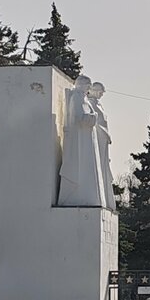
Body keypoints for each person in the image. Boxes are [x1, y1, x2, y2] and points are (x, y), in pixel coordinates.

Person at [58, 75, 105, 206]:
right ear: (82, 85)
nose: (89, 88)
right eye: (87, 85)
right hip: (80, 139)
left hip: (86, 138)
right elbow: (78, 117)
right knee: (81, 165)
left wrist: (92, 117)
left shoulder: (84, 99)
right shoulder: (77, 97)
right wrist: (93, 117)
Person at [89, 82, 117, 212]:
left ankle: (106, 198)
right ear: (93, 90)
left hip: (103, 141)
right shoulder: (90, 103)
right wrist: (106, 134)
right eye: (100, 91)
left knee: (105, 166)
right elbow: (95, 123)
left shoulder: (99, 104)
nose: (101, 94)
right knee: (99, 165)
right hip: (98, 139)